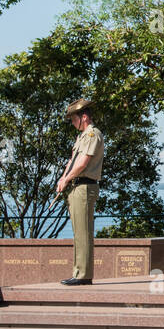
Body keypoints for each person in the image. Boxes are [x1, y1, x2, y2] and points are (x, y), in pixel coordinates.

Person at [55, 98, 105, 286]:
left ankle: (83, 274)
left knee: (83, 232)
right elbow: (73, 160)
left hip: (84, 186)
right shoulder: (82, 137)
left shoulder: (93, 135)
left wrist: (67, 179)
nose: (73, 123)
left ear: (84, 117)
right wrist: (63, 178)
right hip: (76, 186)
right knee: (78, 232)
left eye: (74, 119)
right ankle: (78, 271)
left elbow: (83, 162)